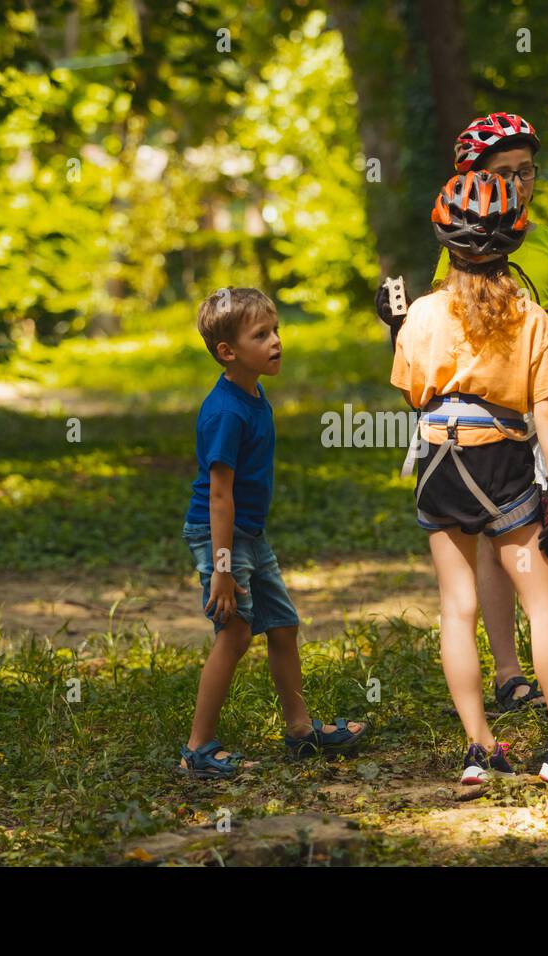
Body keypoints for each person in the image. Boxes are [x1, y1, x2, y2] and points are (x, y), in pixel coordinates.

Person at [378, 112, 548, 713]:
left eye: (527, 172)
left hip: (546, 402)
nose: (520, 184)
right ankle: (509, 673)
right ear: (474, 177)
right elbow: (448, 336)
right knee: (500, 545)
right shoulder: (461, 248)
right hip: (484, 416)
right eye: (506, 173)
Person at [179, 287, 368, 778]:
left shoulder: (253, 394)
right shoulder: (225, 411)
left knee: (282, 627)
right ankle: (197, 748)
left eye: (275, 330)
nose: (276, 341)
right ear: (228, 351)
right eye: (261, 335)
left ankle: (301, 731)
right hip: (220, 536)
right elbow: (219, 496)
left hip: (249, 536)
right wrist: (222, 571)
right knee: (236, 634)